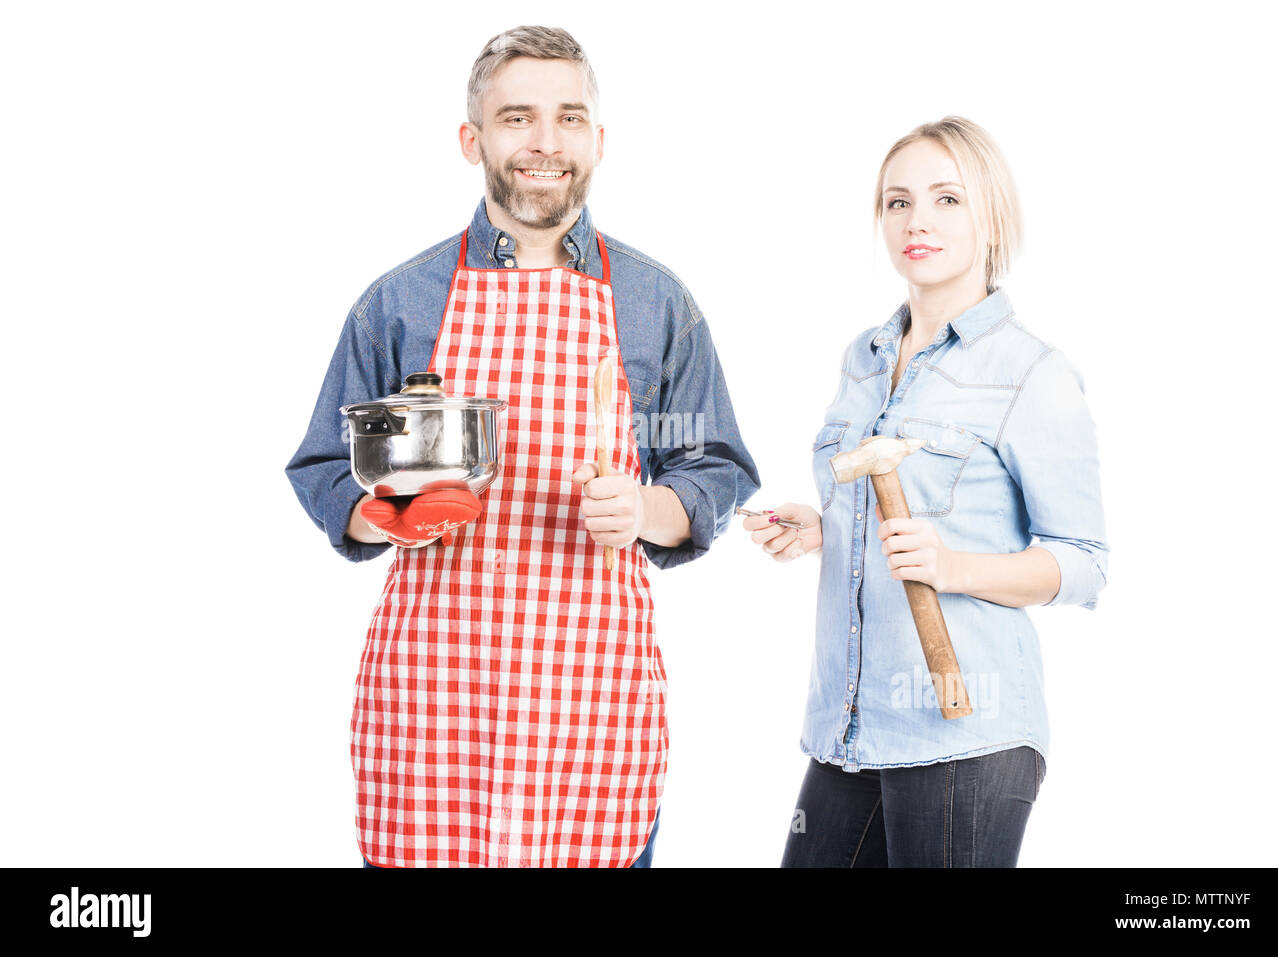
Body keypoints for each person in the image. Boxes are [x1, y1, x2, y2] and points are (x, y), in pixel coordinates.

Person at [286, 26, 759, 868]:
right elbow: (325, 464)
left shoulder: (656, 303)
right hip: (432, 709)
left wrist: (647, 506)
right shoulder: (400, 302)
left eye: (568, 118)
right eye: (517, 118)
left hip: (593, 703)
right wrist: (381, 516)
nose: (545, 142)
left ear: (598, 141)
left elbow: (716, 465)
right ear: (473, 140)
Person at [743, 116, 1106, 867]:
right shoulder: (865, 356)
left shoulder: (1031, 373)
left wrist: (953, 566)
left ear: (992, 217)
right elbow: (866, 495)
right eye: (898, 201)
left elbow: (1084, 562)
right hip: (851, 725)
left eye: (948, 199)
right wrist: (820, 525)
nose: (918, 221)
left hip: (967, 732)